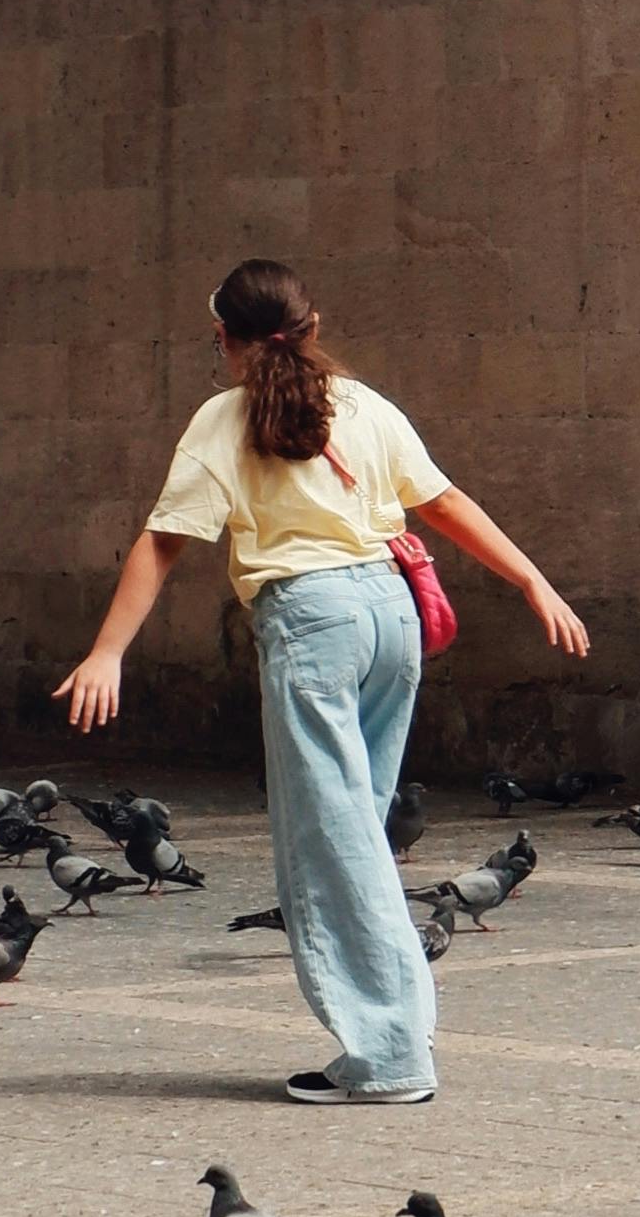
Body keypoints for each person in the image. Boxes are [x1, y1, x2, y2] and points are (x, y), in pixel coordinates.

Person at [55, 259, 587, 1106]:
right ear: (311, 325)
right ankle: (390, 1042)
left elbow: (164, 539)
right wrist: (533, 582)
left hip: (314, 622)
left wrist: (108, 650)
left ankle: (389, 1056)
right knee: (359, 836)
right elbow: (443, 502)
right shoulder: (364, 404)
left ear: (222, 339)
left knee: (330, 845)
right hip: (391, 615)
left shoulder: (223, 418)